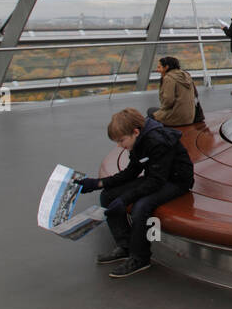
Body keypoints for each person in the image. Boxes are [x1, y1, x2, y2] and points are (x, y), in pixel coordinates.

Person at [77, 108, 194, 278]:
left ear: (135, 132)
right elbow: (132, 172)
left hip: (176, 181)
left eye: (121, 140)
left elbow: (156, 182)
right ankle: (124, 246)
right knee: (108, 195)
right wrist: (98, 183)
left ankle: (140, 258)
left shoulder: (157, 141)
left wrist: (124, 199)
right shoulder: (138, 142)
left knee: (141, 206)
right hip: (156, 176)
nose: (119, 145)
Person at [146, 55, 195, 127]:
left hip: (177, 117)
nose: (157, 70)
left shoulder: (169, 78)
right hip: (189, 117)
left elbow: (168, 101)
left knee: (150, 112)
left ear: (166, 67)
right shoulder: (186, 75)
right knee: (154, 111)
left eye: (159, 67)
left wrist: (161, 112)